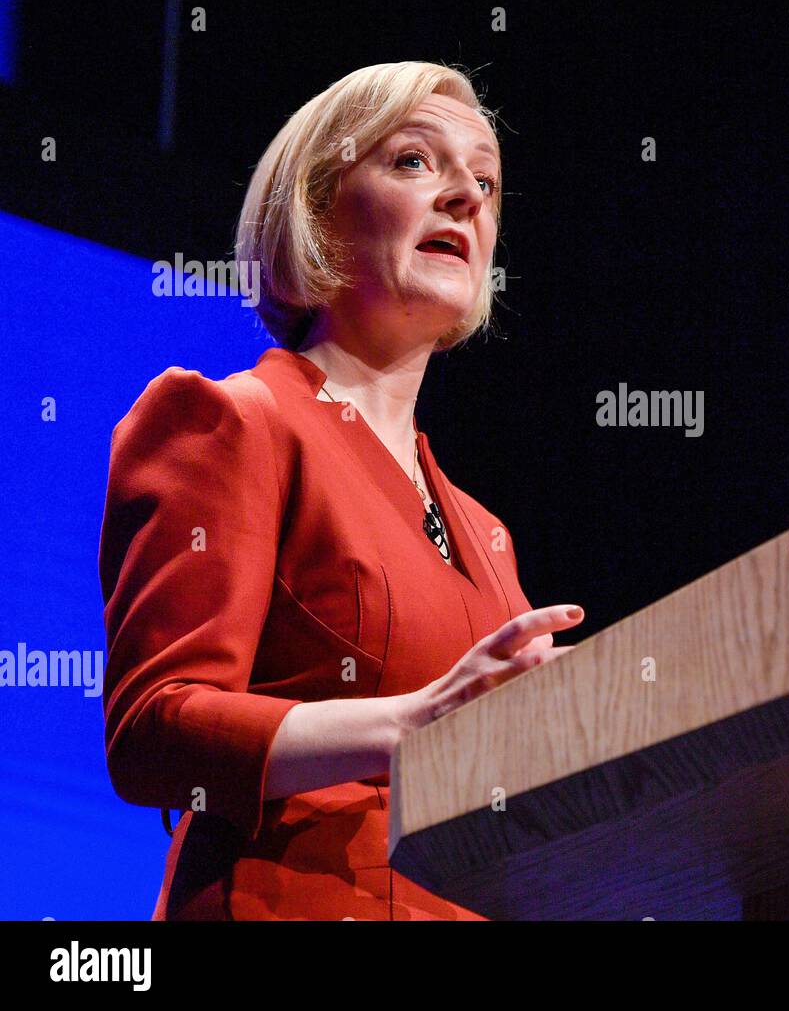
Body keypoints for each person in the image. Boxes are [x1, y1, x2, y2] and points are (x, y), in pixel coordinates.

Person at [99, 61, 584, 920]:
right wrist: (409, 725)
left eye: (486, 181)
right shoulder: (231, 422)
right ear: (316, 209)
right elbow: (152, 732)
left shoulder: (487, 534)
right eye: (413, 162)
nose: (467, 199)